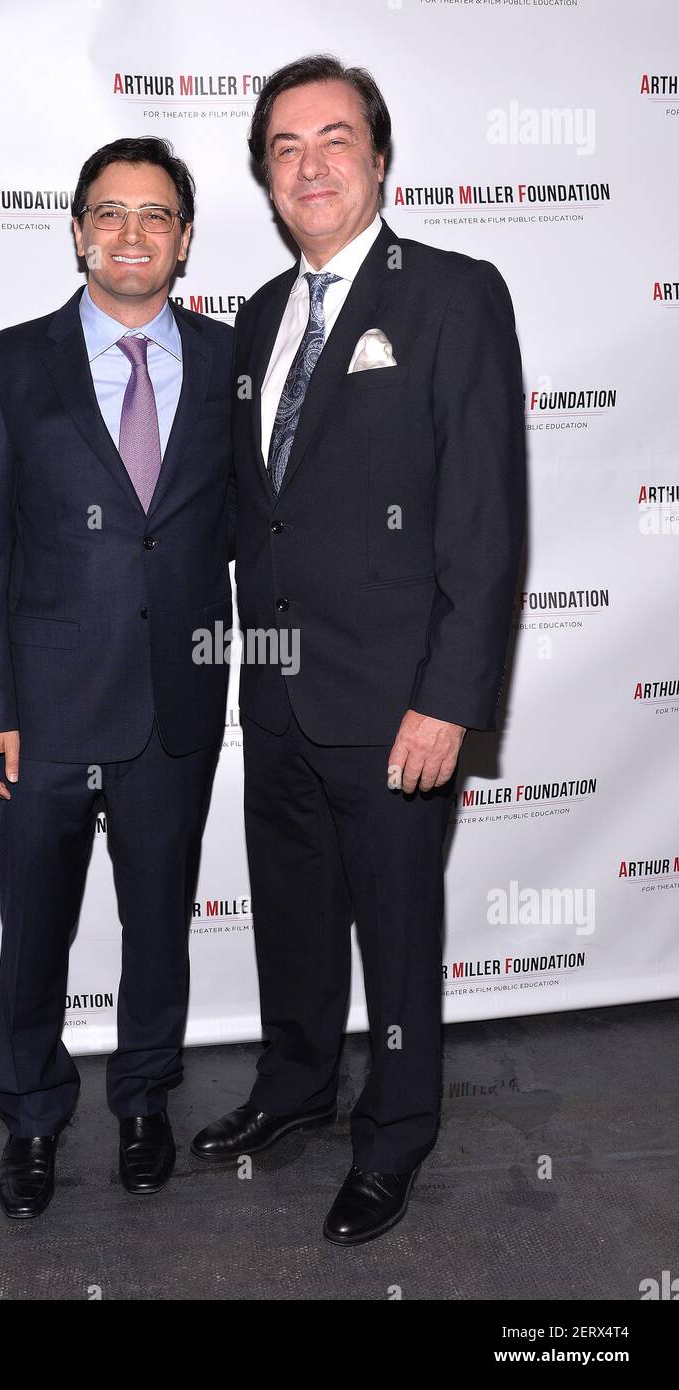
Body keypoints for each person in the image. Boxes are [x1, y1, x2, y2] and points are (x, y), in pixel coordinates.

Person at [191, 55, 526, 1245]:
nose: (311, 164)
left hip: (395, 705)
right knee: (287, 913)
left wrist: (449, 701)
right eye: (285, 148)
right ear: (266, 180)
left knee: (394, 932)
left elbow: (484, 525)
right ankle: (292, 1088)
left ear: (378, 160)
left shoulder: (450, 293)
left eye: (335, 139)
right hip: (274, 695)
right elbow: (253, 513)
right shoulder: (257, 320)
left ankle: (393, 1136)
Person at [0, 136, 234, 1217]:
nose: (129, 234)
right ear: (76, 232)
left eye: (153, 215)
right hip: (44, 708)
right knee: (36, 926)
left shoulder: (227, 360)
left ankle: (147, 1099)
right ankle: (29, 1115)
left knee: (158, 918)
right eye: (107, 214)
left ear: (183, 239)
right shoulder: (6, 365)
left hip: (177, 699)